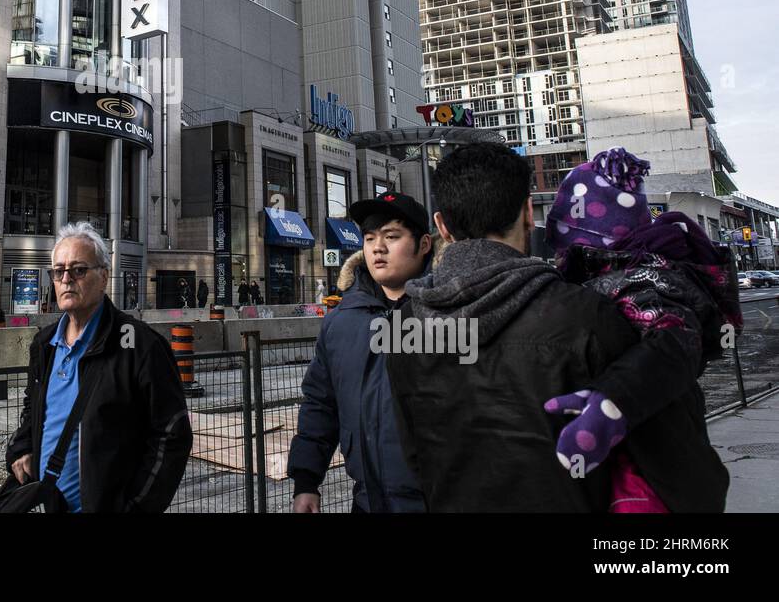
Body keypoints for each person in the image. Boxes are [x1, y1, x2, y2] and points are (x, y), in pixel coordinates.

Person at [386, 141, 725, 512]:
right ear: (528, 213)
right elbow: (677, 458)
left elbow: (415, 457)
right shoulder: (587, 314)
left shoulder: (403, 328)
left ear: (442, 226)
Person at [544, 148, 737, 511]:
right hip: (652, 466)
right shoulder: (619, 276)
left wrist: (611, 404)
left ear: (588, 240)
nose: (557, 254)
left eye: (562, 241)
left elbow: (675, 340)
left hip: (654, 480)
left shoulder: (641, 280)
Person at [4, 222, 192, 512]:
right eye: (59, 271)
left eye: (78, 270)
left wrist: (135, 507)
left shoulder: (140, 344)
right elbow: (35, 406)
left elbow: (172, 434)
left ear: (104, 277)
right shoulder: (44, 344)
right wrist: (22, 446)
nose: (66, 279)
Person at [289, 193, 431, 513]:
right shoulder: (341, 321)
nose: (377, 247)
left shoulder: (452, 314)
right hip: (367, 502)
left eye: (392, 237)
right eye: (369, 238)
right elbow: (321, 404)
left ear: (424, 244)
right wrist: (306, 482)